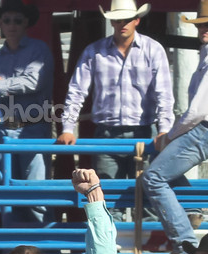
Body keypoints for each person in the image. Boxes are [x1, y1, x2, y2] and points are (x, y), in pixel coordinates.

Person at [142, 0, 208, 254]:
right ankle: (192, 211)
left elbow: (198, 110)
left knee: (153, 177)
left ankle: (184, 245)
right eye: (201, 25)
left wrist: (169, 136)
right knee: (160, 173)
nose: (203, 29)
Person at [57, 2, 174, 184]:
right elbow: (76, 91)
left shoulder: (153, 49)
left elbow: (164, 94)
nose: (122, 24)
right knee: (109, 195)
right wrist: (67, 128)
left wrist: (164, 129)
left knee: (149, 197)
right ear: (112, 22)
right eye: (118, 20)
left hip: (143, 131)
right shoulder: (93, 52)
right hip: (107, 133)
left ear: (137, 20)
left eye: (127, 20)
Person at [0, 0, 54, 224]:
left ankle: (45, 251)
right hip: (3, 132)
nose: (12, 25)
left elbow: (33, 82)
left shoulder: (39, 50)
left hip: (33, 130)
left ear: (26, 24)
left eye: (17, 20)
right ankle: (13, 250)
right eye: (7, 20)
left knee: (36, 194)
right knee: (7, 195)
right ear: (0, 25)